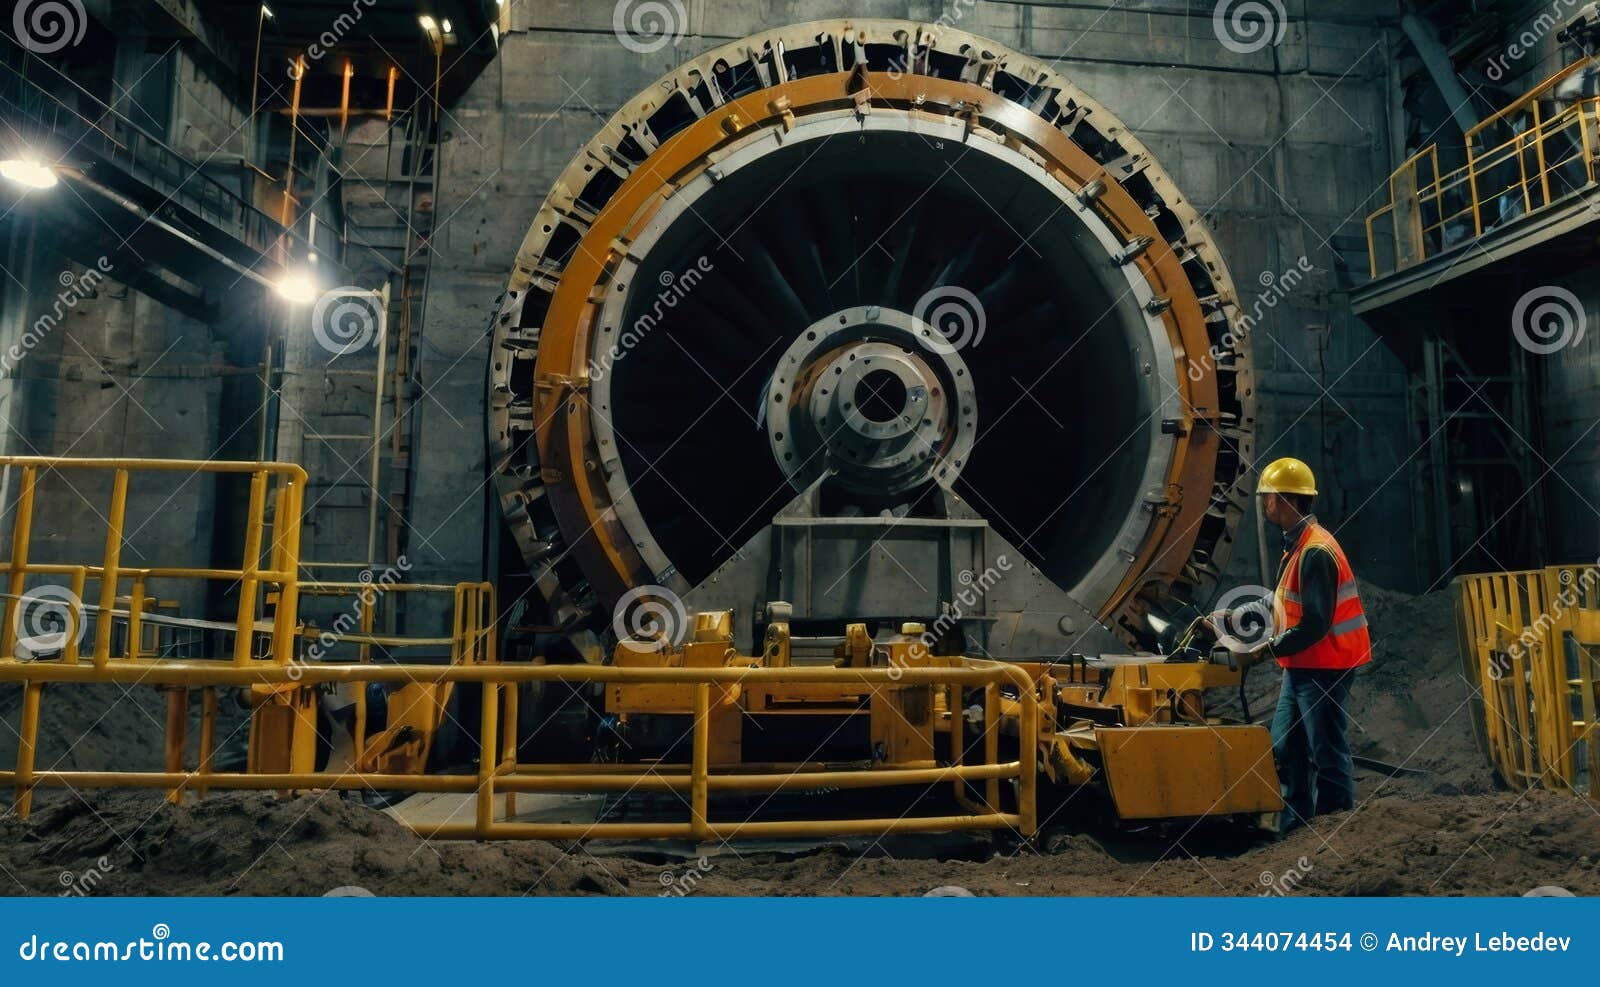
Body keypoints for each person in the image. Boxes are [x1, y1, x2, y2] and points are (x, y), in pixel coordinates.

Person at [1208, 457, 1372, 833]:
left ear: (1286, 500)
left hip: (1326, 666)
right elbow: (1280, 601)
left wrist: (1262, 651)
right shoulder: (1299, 545)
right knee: (1287, 746)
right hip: (1303, 665)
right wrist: (1233, 618)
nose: (1264, 504)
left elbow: (1315, 624)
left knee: (1326, 750)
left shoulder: (1316, 551)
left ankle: (1334, 830)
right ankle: (1297, 828)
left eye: (1268, 497)